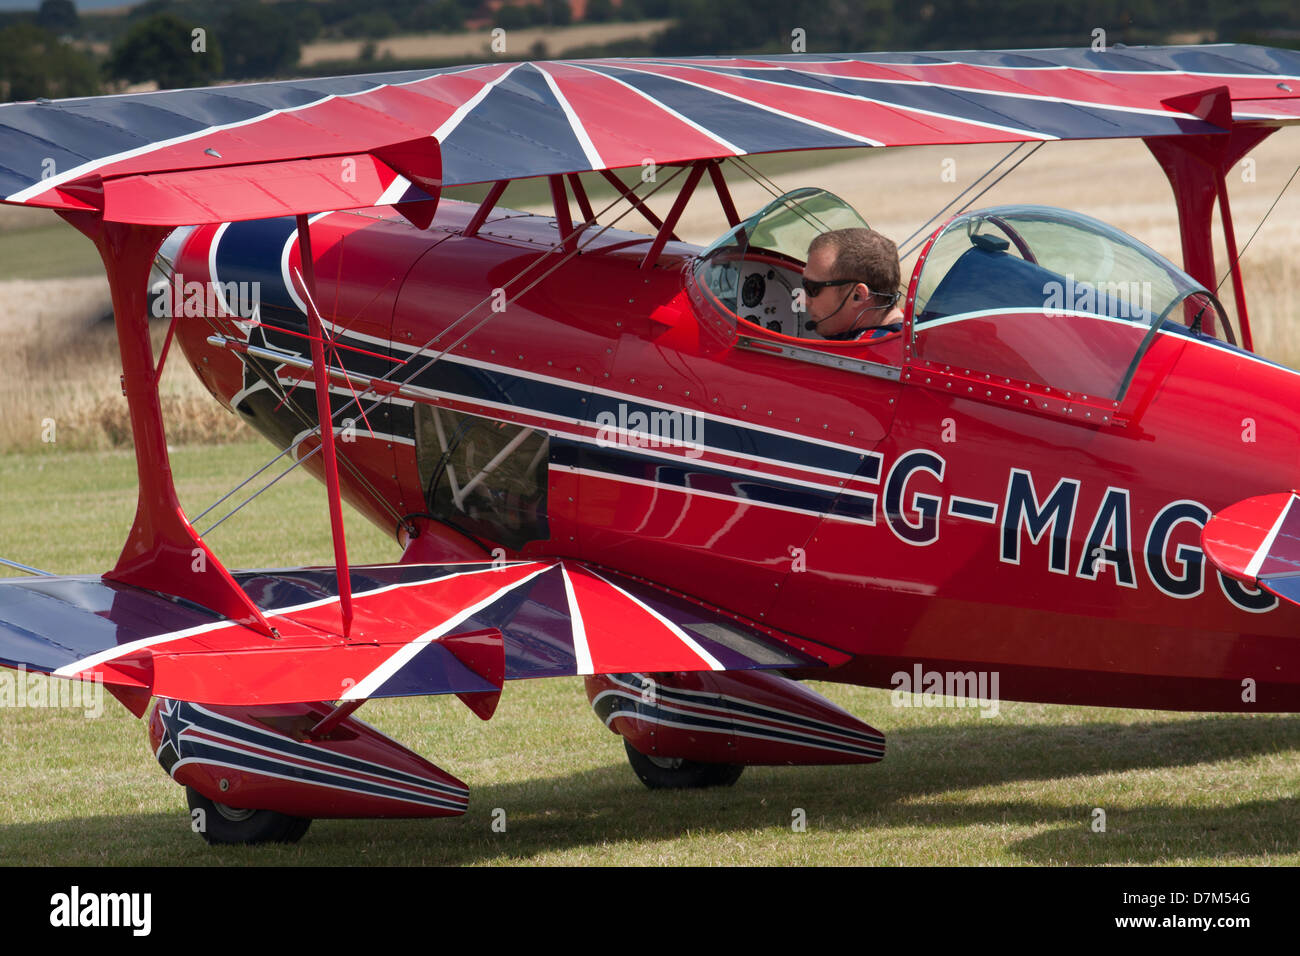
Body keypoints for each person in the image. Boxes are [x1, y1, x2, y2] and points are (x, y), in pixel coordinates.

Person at [801, 227, 904, 341]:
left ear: (858, 295)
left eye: (812, 288)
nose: (803, 301)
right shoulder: (909, 330)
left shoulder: (869, 355)